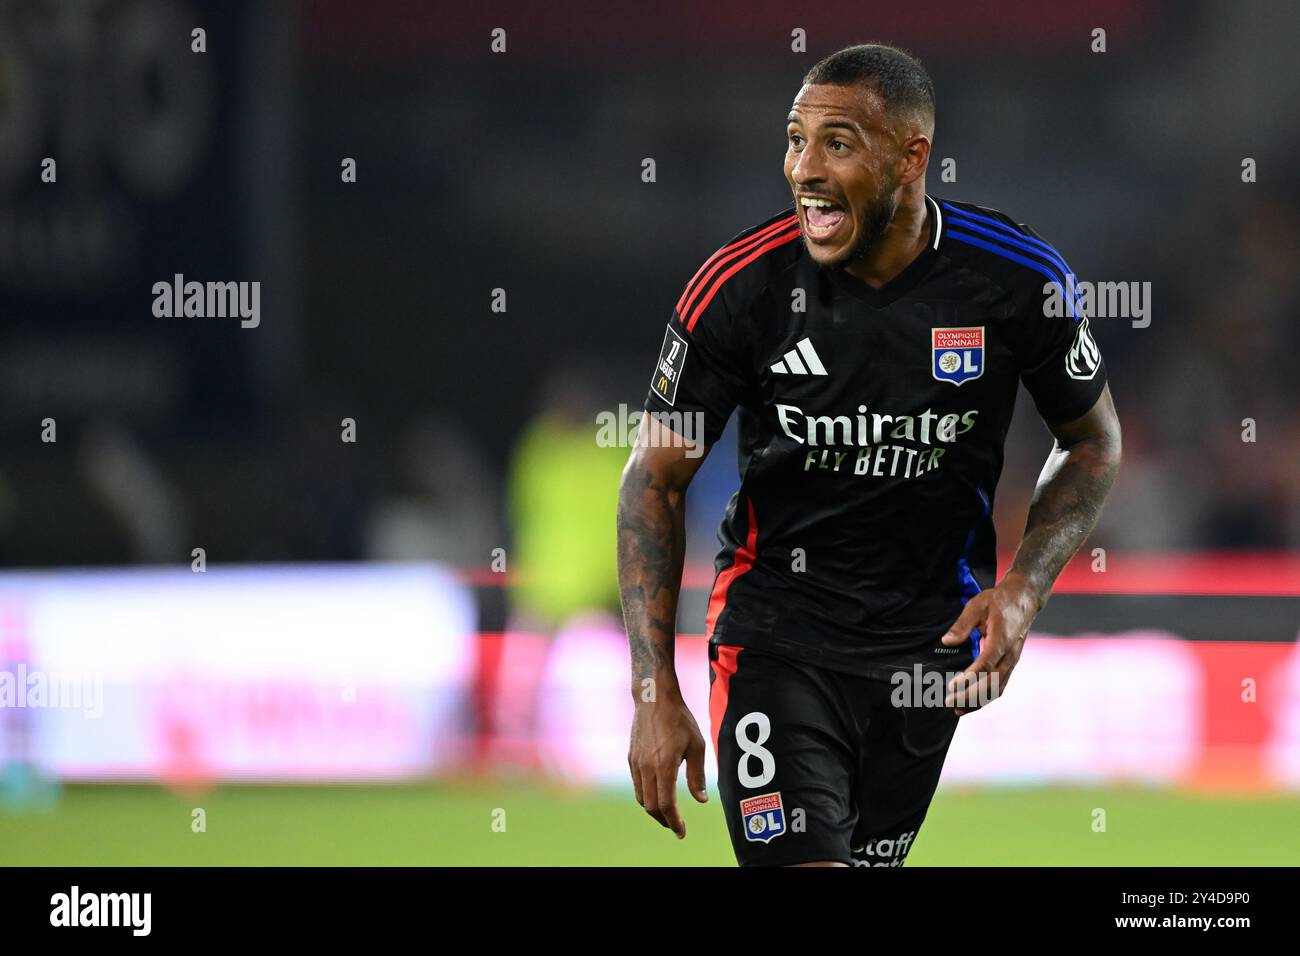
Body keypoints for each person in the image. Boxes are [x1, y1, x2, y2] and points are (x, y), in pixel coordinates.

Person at [616, 43, 1121, 866]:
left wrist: (1024, 591)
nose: (804, 170)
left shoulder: (1017, 282)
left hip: (927, 658)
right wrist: (653, 690)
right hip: (775, 637)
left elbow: (1094, 440)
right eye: (794, 139)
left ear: (911, 156)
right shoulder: (739, 288)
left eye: (837, 143)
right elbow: (654, 480)